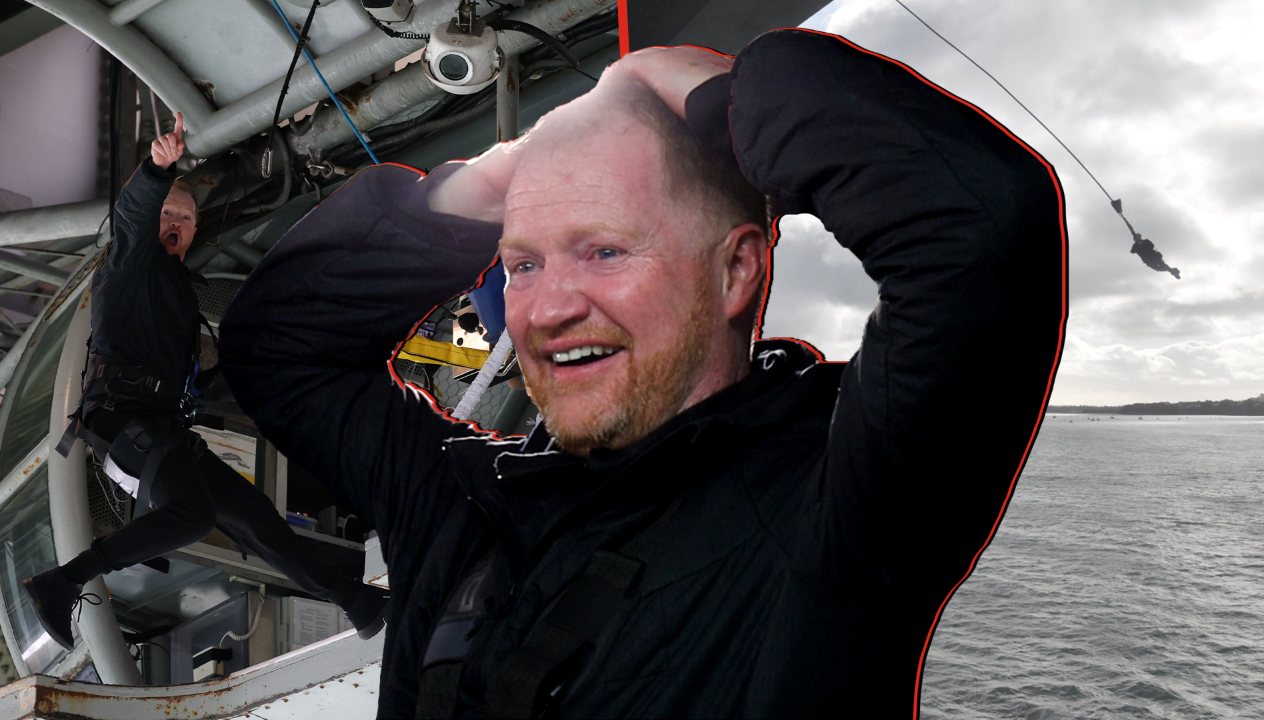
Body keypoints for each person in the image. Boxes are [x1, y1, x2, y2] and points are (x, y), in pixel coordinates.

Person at [219, 29, 1065, 718]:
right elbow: (280, 350)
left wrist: (686, 82)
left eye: (604, 250)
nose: (547, 310)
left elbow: (980, 227)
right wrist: (490, 182)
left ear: (738, 273)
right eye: (523, 264)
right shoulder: (462, 502)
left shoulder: (840, 513)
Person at [22, 113, 389, 653]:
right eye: (168, 213)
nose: (176, 222)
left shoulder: (178, 294)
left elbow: (201, 381)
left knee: (257, 519)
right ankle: (64, 579)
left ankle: (357, 604)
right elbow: (129, 220)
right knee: (192, 515)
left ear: (196, 231)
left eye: (187, 218)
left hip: (162, 427)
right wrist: (155, 170)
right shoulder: (128, 267)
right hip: (120, 423)